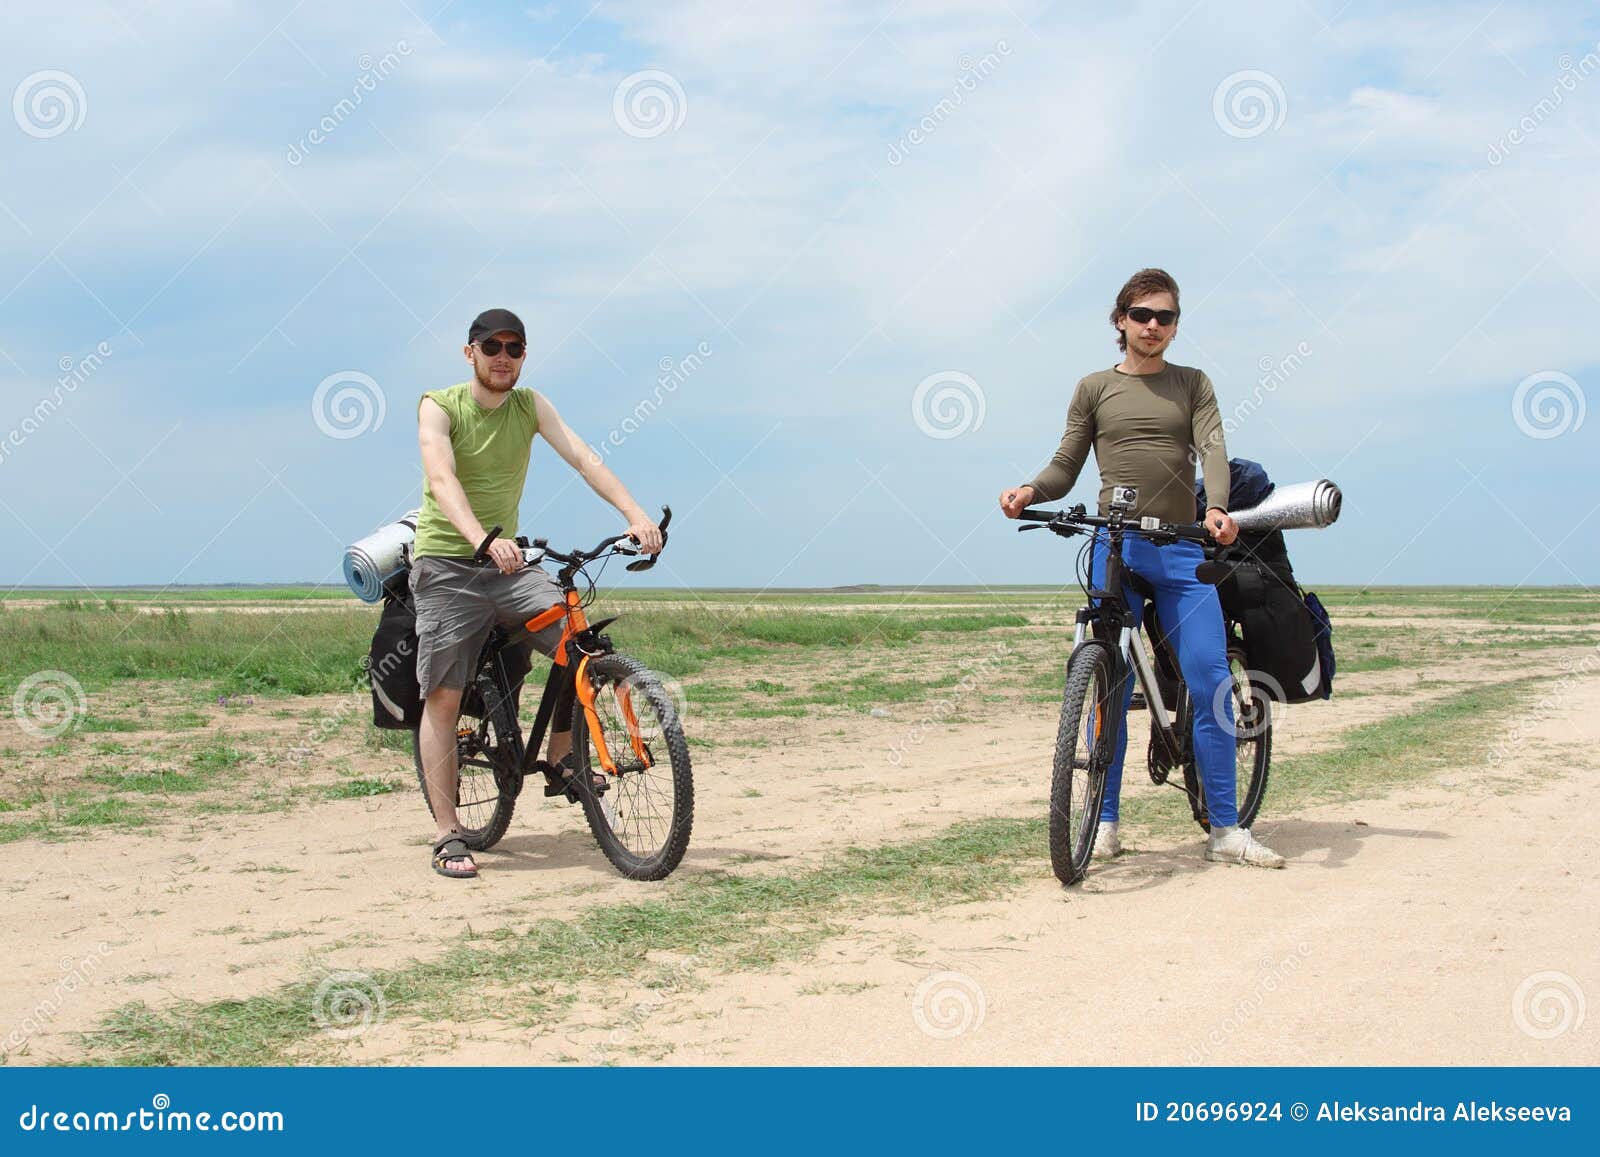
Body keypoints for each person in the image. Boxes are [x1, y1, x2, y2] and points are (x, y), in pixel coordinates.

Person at [998, 269, 1285, 869]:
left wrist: (1216, 509)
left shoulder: (1193, 384)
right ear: (1120, 320)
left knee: (1208, 681)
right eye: (1142, 315)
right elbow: (1067, 462)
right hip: (1114, 547)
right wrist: (1030, 489)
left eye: (1166, 317)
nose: (1153, 326)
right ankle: (1104, 824)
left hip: (1181, 549)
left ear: (1175, 325)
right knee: (1110, 687)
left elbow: (1212, 449)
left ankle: (1227, 831)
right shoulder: (1094, 388)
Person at [413, 308, 663, 879]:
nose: (504, 357)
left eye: (515, 348)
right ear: (469, 351)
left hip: (507, 564)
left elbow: (581, 456)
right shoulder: (440, 404)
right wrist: (480, 539)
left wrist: (634, 514)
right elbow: (442, 479)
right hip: (448, 565)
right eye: (492, 346)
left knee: (576, 643)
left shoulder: (530, 406)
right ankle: (448, 831)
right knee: (444, 697)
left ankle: (561, 757)